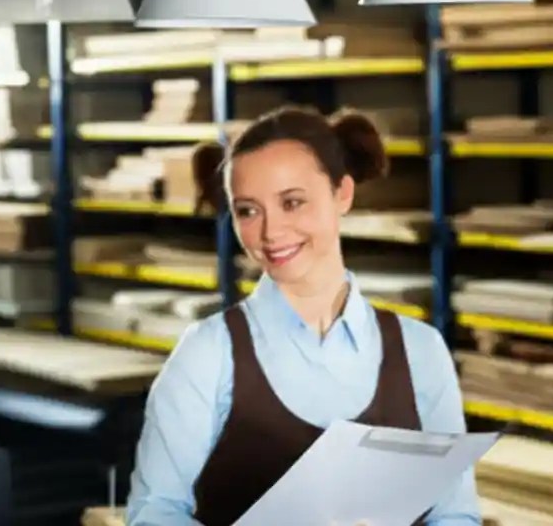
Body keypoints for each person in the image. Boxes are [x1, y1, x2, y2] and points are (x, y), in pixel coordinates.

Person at [125, 106, 481, 525]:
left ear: (342, 193)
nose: (271, 232)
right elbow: (154, 512)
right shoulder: (209, 353)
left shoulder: (421, 351)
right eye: (248, 211)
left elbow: (455, 515)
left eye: (292, 203)